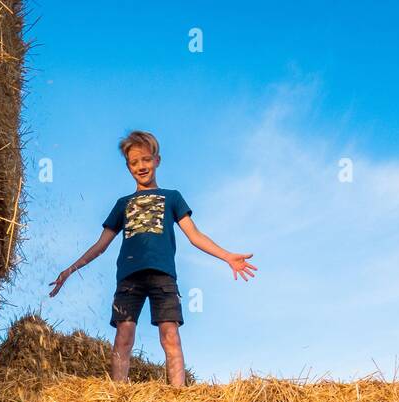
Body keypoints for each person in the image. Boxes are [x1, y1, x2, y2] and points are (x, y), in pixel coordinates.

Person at [48, 129, 257, 388]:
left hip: (162, 275)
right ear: (128, 167)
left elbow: (194, 235)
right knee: (124, 335)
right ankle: (118, 394)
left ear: (157, 160)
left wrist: (227, 256)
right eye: (134, 162)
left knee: (170, 335)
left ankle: (178, 396)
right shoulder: (123, 203)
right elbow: (101, 245)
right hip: (128, 277)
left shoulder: (172, 197)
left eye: (146, 160)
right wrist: (70, 270)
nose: (141, 166)